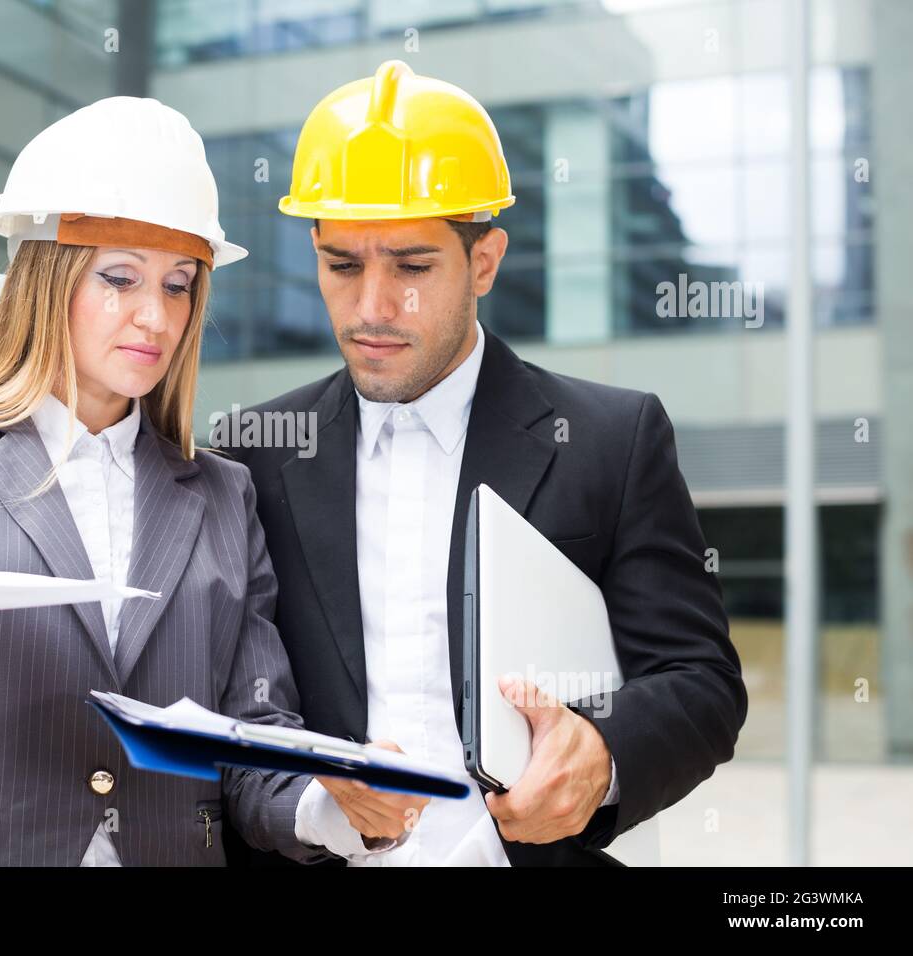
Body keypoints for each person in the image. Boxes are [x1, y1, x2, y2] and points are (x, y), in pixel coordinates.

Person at [0, 96, 408, 866]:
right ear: (46, 278)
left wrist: (338, 801)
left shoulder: (225, 494)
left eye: (179, 284)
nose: (155, 316)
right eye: (120, 277)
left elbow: (256, 750)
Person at [223, 61, 748, 866]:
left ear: (486, 261)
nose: (371, 307)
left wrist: (603, 757)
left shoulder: (612, 437)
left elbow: (700, 681)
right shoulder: (251, 455)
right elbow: (236, 713)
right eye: (343, 265)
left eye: (411, 267)